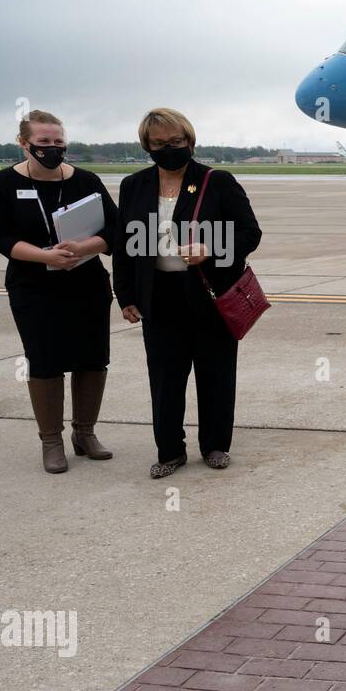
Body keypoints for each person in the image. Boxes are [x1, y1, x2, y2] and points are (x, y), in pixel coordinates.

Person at [113, 107, 262, 478]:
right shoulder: (134, 185)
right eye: (159, 143)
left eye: (176, 141)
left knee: (216, 375)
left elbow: (250, 233)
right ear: (147, 147)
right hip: (158, 296)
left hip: (209, 294)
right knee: (165, 380)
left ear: (190, 141)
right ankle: (169, 451)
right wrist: (125, 295)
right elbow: (124, 245)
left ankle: (215, 445)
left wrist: (211, 248)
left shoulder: (217, 181)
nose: (169, 148)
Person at [0, 110, 118, 473]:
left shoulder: (86, 180)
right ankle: (51, 441)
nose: (52, 148)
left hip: (86, 282)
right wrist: (45, 256)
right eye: (43, 142)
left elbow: (116, 228)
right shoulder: (4, 182)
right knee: (45, 360)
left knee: (92, 357)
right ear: (24, 144)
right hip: (34, 286)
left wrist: (85, 247)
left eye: (59, 141)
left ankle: (85, 433)